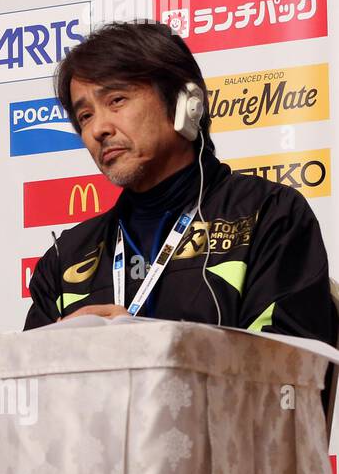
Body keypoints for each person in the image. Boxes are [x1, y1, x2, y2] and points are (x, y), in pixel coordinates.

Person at [23, 20, 337, 346]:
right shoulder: (65, 257)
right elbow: (28, 388)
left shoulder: (269, 215)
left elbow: (294, 374)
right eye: (85, 116)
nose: (98, 129)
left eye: (116, 100)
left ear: (186, 104)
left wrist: (145, 345)